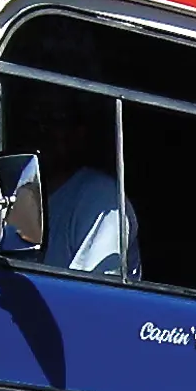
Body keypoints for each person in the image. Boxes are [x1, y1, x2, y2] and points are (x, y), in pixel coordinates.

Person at [40, 100, 140, 278]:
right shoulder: (22, 197)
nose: (42, 129)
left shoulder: (101, 196)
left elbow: (94, 288)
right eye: (32, 119)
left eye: (55, 119)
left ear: (79, 132)